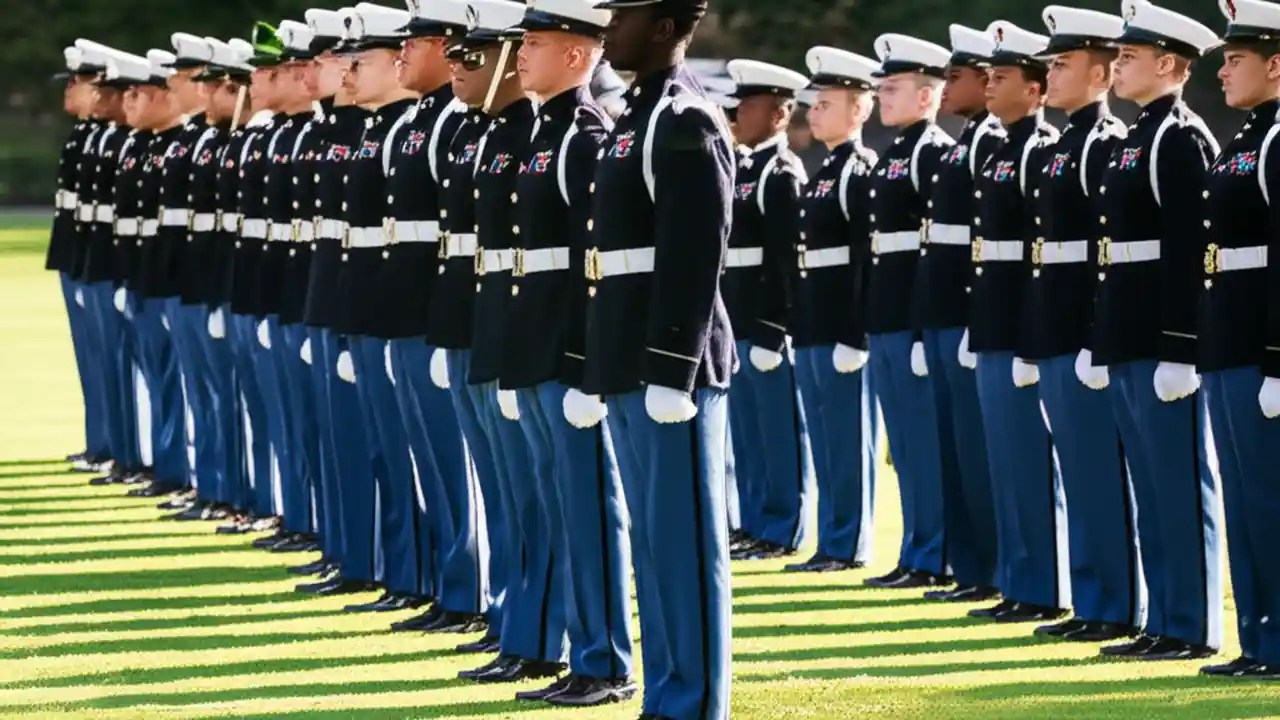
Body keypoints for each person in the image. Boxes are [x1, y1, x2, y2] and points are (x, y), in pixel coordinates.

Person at [583, 0, 735, 716]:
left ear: (668, 28)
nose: (609, 31)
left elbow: (695, 253)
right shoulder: (633, 118)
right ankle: (668, 697)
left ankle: (694, 702)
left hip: (668, 365)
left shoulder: (684, 119)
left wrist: (673, 366)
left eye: (625, 17)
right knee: (653, 546)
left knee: (683, 549)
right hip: (625, 359)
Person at [498, 0, 636, 705]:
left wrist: (586, 367)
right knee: (556, 508)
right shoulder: (540, 131)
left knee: (587, 508)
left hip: (567, 354)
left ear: (578, 56)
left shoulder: (584, 134)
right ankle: (575, 650)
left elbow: (595, 263)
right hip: (537, 347)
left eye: (535, 43)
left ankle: (605, 661)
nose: (519, 56)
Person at [1092, 0, 1223, 661]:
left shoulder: (1180, 136)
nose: (1116, 66)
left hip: (1159, 339)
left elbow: (1188, 249)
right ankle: (1164, 617)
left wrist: (1181, 347)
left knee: (1176, 482)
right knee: (1149, 484)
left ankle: (1191, 625)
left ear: (1168, 64)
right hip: (1127, 334)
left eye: (1128, 57)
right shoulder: (1136, 136)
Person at [451, 0, 571, 685]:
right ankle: (517, 627)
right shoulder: (501, 132)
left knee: (539, 498)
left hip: (534, 333)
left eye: (480, 55)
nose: (467, 68)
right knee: (511, 495)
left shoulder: (546, 131)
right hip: (496, 322)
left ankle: (539, 638)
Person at [1021, 5, 1139, 643]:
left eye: (1063, 64)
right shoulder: (1065, 143)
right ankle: (1095, 601)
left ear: (1100, 75)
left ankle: (1117, 605)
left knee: (1100, 472)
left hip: (1087, 333)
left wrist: (1097, 337)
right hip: (1057, 330)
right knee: (1079, 470)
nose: (1052, 73)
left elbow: (1105, 251)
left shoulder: (1103, 143)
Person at [966, 19, 1069, 625]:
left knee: (1031, 464)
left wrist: (1032, 339)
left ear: (1034, 90)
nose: (988, 87)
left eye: (1000, 78)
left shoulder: (1036, 148)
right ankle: (1021, 581)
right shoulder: (1003, 147)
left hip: (1021, 326)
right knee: (1005, 463)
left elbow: (1039, 252)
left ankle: (1043, 587)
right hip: (995, 323)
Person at [376, 0, 475, 625]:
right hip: (408, 314)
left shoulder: (450, 123)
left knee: (454, 468)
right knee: (429, 465)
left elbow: (453, 238)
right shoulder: (418, 121)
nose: (403, 53)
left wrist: (441, 325)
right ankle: (449, 585)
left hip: (434, 316)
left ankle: (468, 592)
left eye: (416, 42)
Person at [1198, 0, 1280, 679]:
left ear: (1276, 64)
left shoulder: (1278, 140)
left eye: (1235, 59)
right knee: (1246, 502)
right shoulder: (1248, 135)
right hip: (1228, 340)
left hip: (1260, 346)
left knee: (1270, 500)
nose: (1222, 71)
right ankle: (1258, 641)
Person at [782, 45, 879, 574]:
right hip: (815, 327)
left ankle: (850, 543)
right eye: (813, 105)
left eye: (824, 104)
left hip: (840, 329)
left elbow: (865, 259)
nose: (812, 113)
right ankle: (833, 540)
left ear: (858, 111)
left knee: (847, 442)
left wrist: (855, 334)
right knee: (824, 441)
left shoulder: (857, 170)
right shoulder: (825, 170)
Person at [915, 23, 1002, 604]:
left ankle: (993, 571)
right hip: (945, 317)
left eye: (957, 78)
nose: (946, 89)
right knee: (957, 455)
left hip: (972, 320)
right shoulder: (964, 145)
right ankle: (971, 569)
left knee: (983, 458)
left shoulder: (991, 144)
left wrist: (973, 322)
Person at [864, 32, 953, 590]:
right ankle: (915, 549)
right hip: (885, 315)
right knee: (905, 446)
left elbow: (930, 252)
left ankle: (934, 553)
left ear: (927, 96)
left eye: (893, 89)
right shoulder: (897, 151)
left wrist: (922, 330)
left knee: (925, 446)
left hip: (909, 318)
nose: (882, 98)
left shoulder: (931, 151)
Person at [294, 12, 378, 594]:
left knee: (376, 450)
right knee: (337, 439)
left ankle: (393, 568)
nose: (338, 72)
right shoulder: (341, 131)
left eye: (350, 60)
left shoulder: (374, 131)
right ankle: (350, 553)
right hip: (335, 300)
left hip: (379, 310)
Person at [719, 57, 813, 562]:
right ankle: (754, 521)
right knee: (748, 433)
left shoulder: (782, 172)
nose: (736, 116)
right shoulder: (743, 165)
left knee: (777, 432)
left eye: (747, 108)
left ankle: (781, 527)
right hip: (736, 318)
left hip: (762, 320)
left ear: (778, 115)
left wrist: (776, 329)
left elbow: (784, 260)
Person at [76, 43, 146, 489]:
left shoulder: (132, 142)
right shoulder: (103, 138)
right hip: (100, 260)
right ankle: (114, 447)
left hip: (148, 272)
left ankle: (135, 455)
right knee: (104, 363)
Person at [122, 48, 191, 501]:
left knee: (178, 384)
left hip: (180, 280)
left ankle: (179, 468)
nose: (132, 103)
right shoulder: (150, 148)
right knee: (155, 376)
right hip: (148, 273)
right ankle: (163, 464)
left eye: (140, 94)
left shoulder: (183, 145)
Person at [52, 48, 111, 474]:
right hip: (82, 255)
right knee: (94, 361)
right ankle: (102, 443)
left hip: (109, 261)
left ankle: (118, 448)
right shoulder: (86, 136)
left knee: (115, 365)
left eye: (78, 82)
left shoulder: (109, 139)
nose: (70, 91)